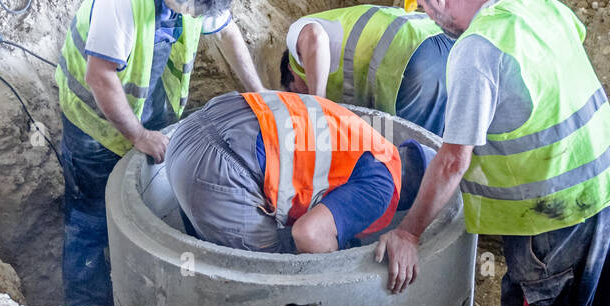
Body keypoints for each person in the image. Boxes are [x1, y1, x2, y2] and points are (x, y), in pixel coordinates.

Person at [376, 0, 610, 306]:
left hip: (558, 219)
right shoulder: (538, 6)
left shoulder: (476, 52)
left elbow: (452, 161)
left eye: (423, 6)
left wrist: (409, 233)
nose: (428, 18)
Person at [55, 0, 265, 306]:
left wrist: (262, 95)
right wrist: (137, 136)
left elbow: (228, 34)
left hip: (147, 104)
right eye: (192, 12)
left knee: (152, 198)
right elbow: (100, 77)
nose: (198, 19)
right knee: (90, 216)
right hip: (93, 125)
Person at [164, 90, 435, 254]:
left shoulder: (371, 141)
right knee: (271, 278)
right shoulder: (382, 188)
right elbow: (310, 234)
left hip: (192, 129)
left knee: (207, 253)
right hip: (222, 170)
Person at [278, 5, 453, 135]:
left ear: (290, 70)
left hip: (410, 56)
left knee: (412, 156)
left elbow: (314, 36)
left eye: (296, 93)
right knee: (442, 146)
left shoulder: (297, 47)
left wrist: (317, 106)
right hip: (448, 43)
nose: (302, 100)